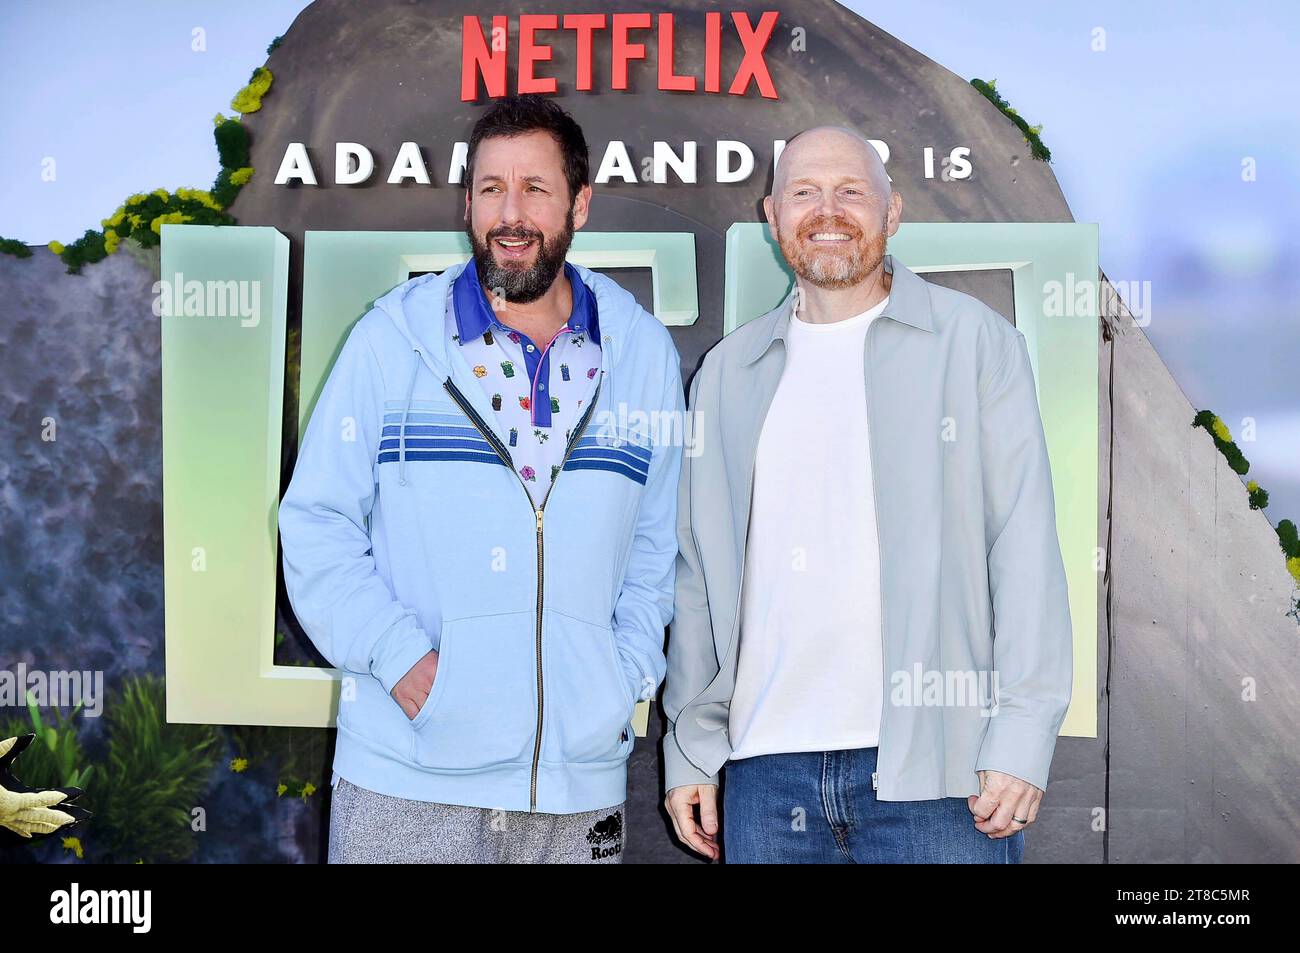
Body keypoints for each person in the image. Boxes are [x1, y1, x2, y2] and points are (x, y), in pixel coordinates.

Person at [279, 94, 684, 863]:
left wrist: (616, 680)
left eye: (536, 187)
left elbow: (656, 552)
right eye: (491, 188)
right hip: (407, 779)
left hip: (579, 792)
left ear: (581, 203)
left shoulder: (644, 354)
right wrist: (399, 660)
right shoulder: (388, 341)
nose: (511, 212)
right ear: (467, 202)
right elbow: (316, 522)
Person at [662, 125, 1073, 863]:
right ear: (773, 215)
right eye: (805, 192)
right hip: (766, 778)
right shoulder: (728, 374)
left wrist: (1023, 729)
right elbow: (696, 577)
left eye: (852, 190)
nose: (828, 210)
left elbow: (1024, 547)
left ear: (893, 213)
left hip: (944, 778)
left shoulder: (975, 345)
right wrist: (692, 748)